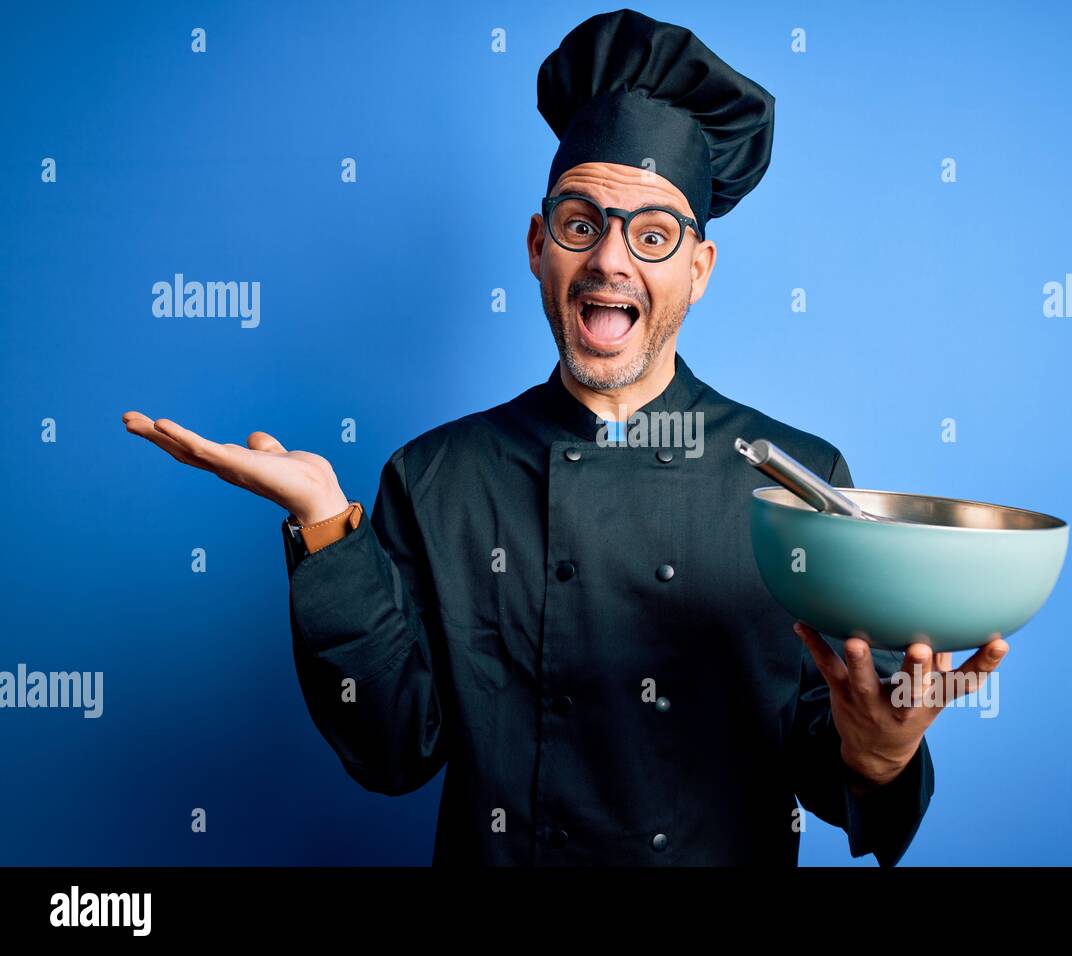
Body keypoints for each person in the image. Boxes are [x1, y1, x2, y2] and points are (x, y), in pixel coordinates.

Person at [122, 8, 1008, 867]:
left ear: (698, 271)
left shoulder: (801, 477)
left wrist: (880, 754)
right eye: (583, 224)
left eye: (654, 235)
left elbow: (848, 749)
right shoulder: (437, 477)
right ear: (540, 245)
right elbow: (392, 753)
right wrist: (324, 528)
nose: (612, 260)